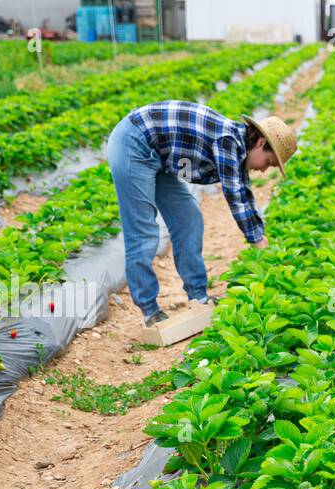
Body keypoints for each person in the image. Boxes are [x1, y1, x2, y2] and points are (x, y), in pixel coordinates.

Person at [106, 102, 297, 326]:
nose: (264, 170)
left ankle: (198, 296)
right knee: (143, 231)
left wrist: (260, 236)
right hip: (135, 142)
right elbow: (235, 195)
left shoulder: (238, 148)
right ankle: (150, 311)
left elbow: (244, 193)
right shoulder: (228, 142)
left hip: (161, 154)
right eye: (269, 162)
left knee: (188, 219)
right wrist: (257, 241)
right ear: (261, 142)